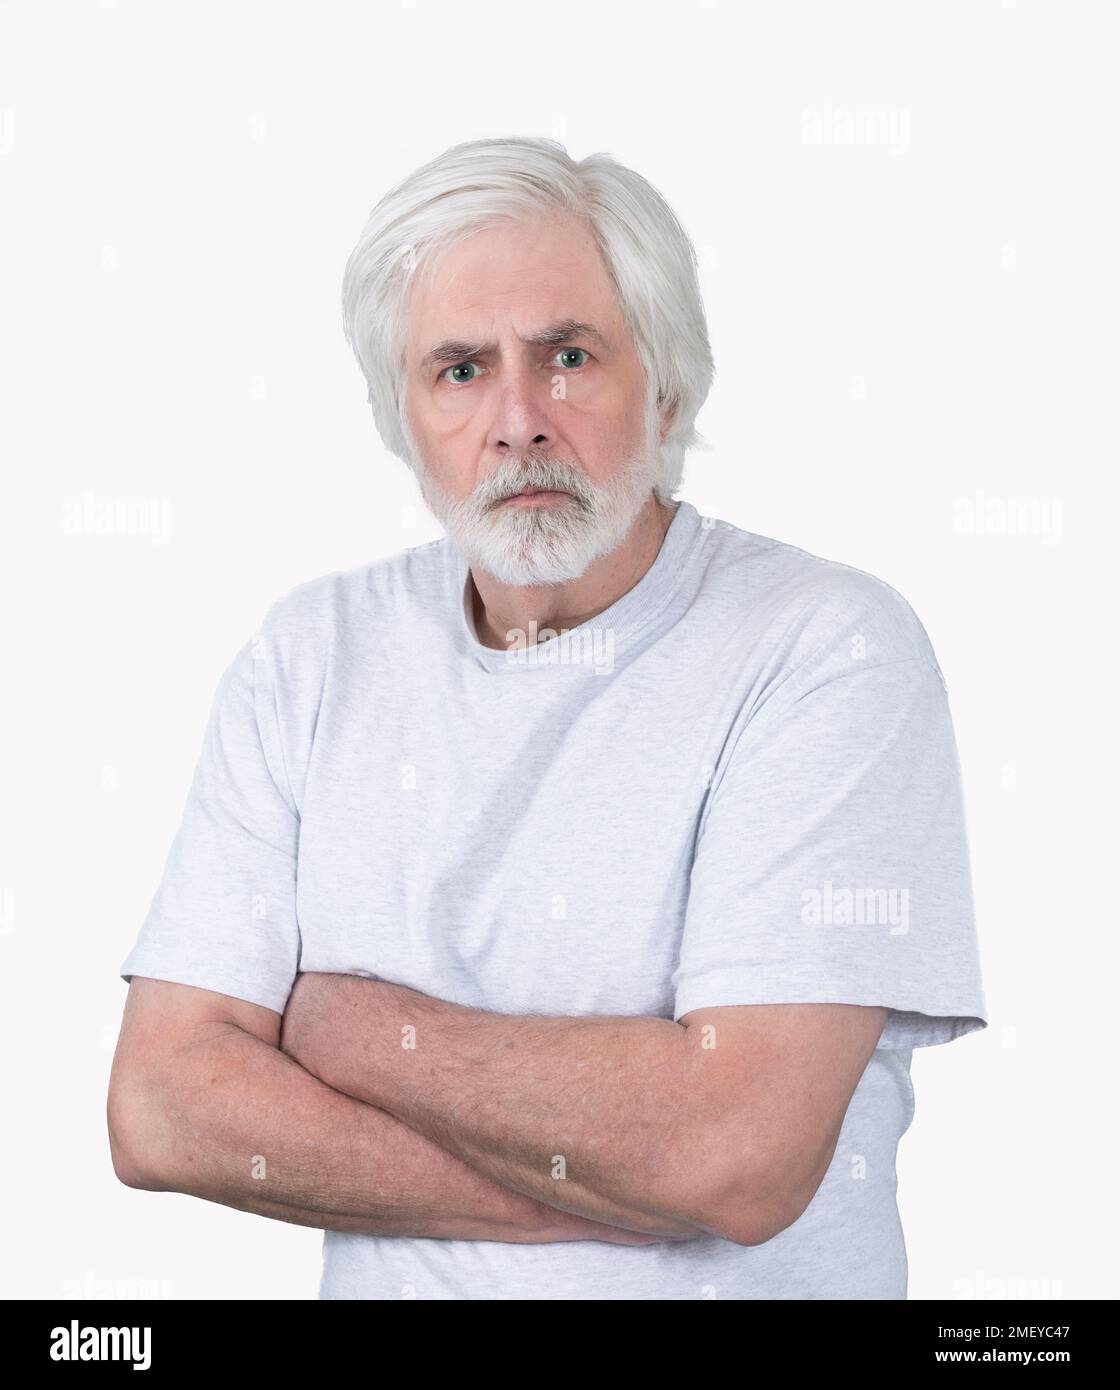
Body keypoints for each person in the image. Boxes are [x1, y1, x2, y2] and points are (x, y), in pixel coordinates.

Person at [109, 135, 988, 1300]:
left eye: (568, 356)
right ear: (401, 418)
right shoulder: (309, 657)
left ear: (667, 383)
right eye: (459, 370)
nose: (518, 419)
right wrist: (613, 1178)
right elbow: (162, 1109)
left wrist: (345, 1027)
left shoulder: (823, 648)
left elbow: (734, 1153)